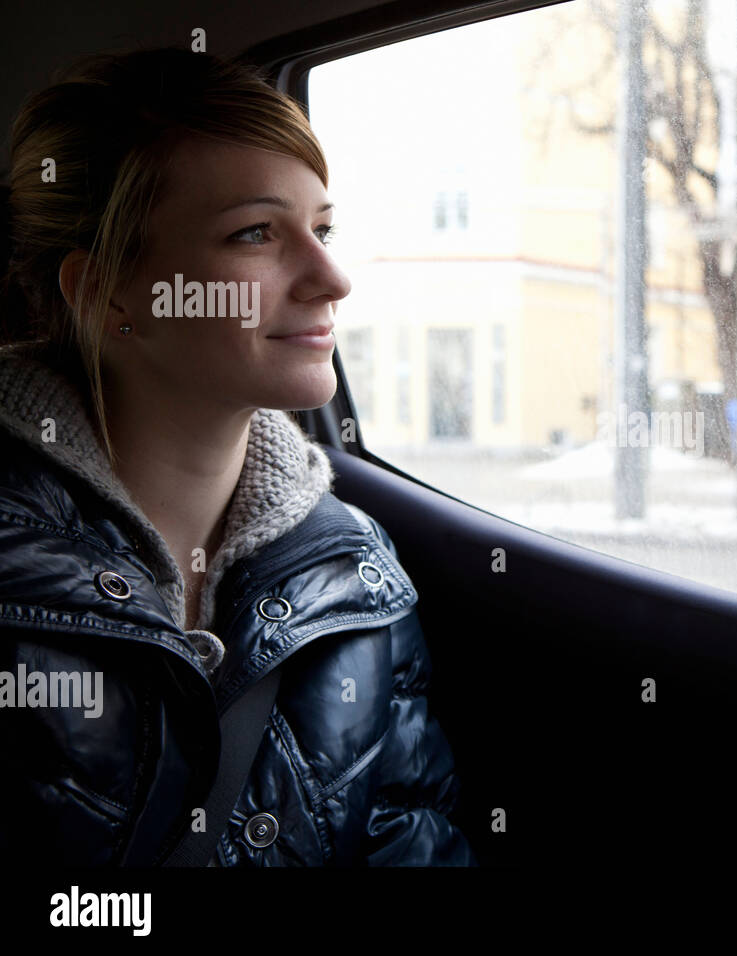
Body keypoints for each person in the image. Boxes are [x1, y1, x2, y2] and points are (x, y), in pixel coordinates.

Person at [0, 47, 475, 866]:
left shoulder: (356, 571)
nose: (331, 277)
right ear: (108, 293)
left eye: (322, 229)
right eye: (256, 233)